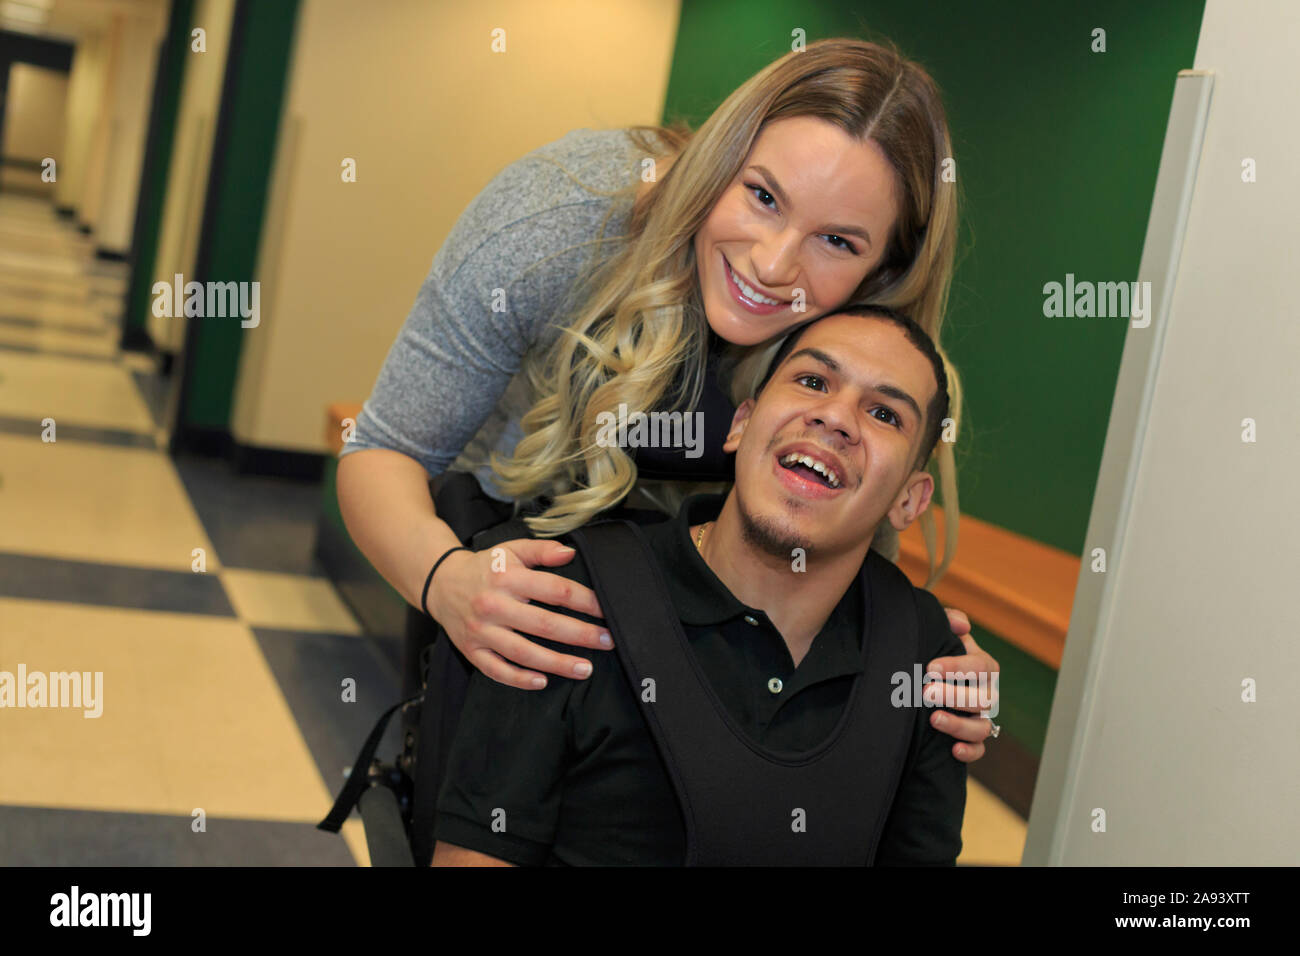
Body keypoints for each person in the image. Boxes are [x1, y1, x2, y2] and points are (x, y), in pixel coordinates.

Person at [337, 37, 999, 763]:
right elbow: (382, 452)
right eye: (762, 196)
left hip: (703, 619)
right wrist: (447, 581)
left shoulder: (866, 342)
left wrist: (933, 666)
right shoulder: (556, 222)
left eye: (837, 241)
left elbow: (849, 556)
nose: (772, 265)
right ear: (721, 162)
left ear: (884, 271)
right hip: (503, 554)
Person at [431, 306, 968, 865]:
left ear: (910, 498)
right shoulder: (568, 599)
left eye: (884, 413)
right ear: (739, 425)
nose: (835, 416)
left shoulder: (926, 659)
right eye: (812, 381)